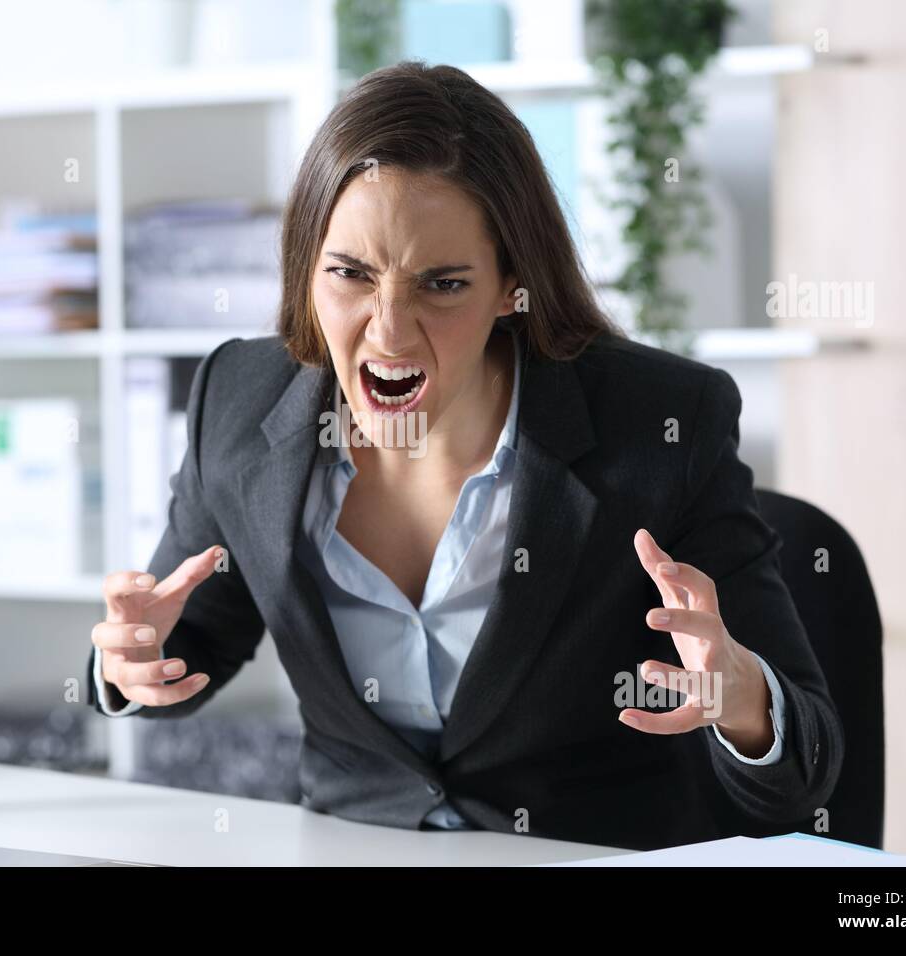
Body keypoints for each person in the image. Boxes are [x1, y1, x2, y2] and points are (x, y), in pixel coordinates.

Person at [87, 60, 843, 850]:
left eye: (441, 285)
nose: (388, 331)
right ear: (307, 266)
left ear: (512, 283)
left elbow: (809, 764)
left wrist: (746, 701)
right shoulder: (237, 401)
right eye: (351, 274)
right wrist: (131, 664)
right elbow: (189, 639)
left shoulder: (660, 423)